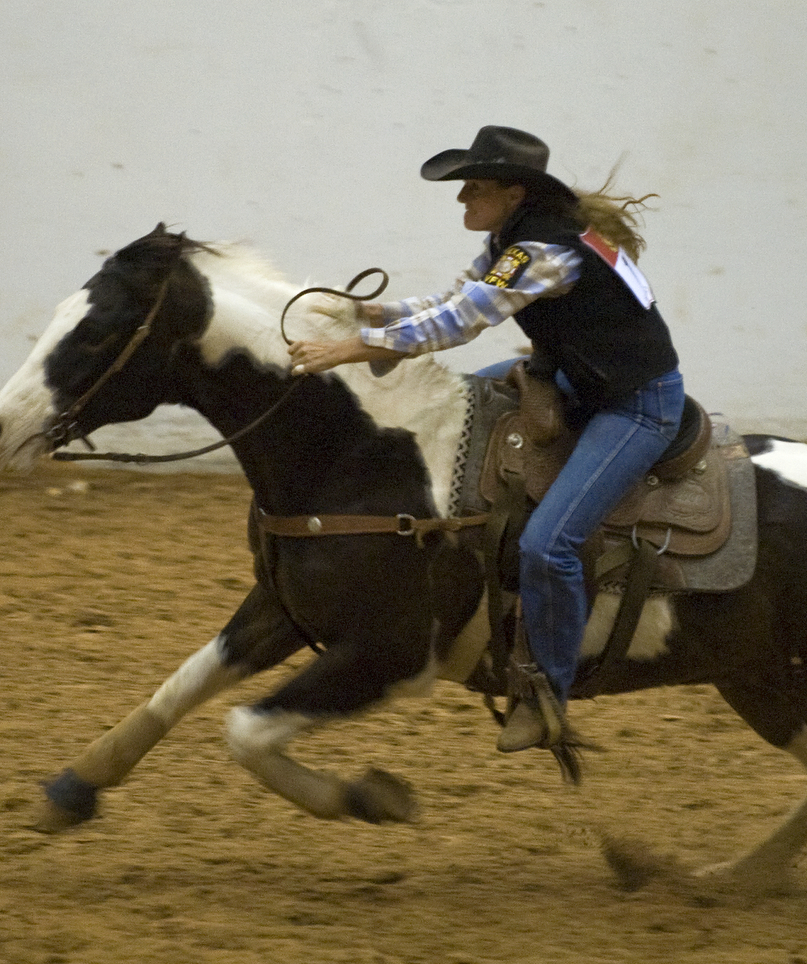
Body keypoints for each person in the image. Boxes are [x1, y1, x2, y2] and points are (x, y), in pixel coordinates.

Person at [287, 125, 683, 755]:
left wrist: (349, 348)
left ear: (513, 191)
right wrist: (371, 314)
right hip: (574, 385)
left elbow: (462, 321)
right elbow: (454, 299)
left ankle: (544, 693)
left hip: (634, 407)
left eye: (473, 186)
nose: (460, 199)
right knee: (460, 409)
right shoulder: (518, 240)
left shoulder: (545, 252)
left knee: (550, 545)